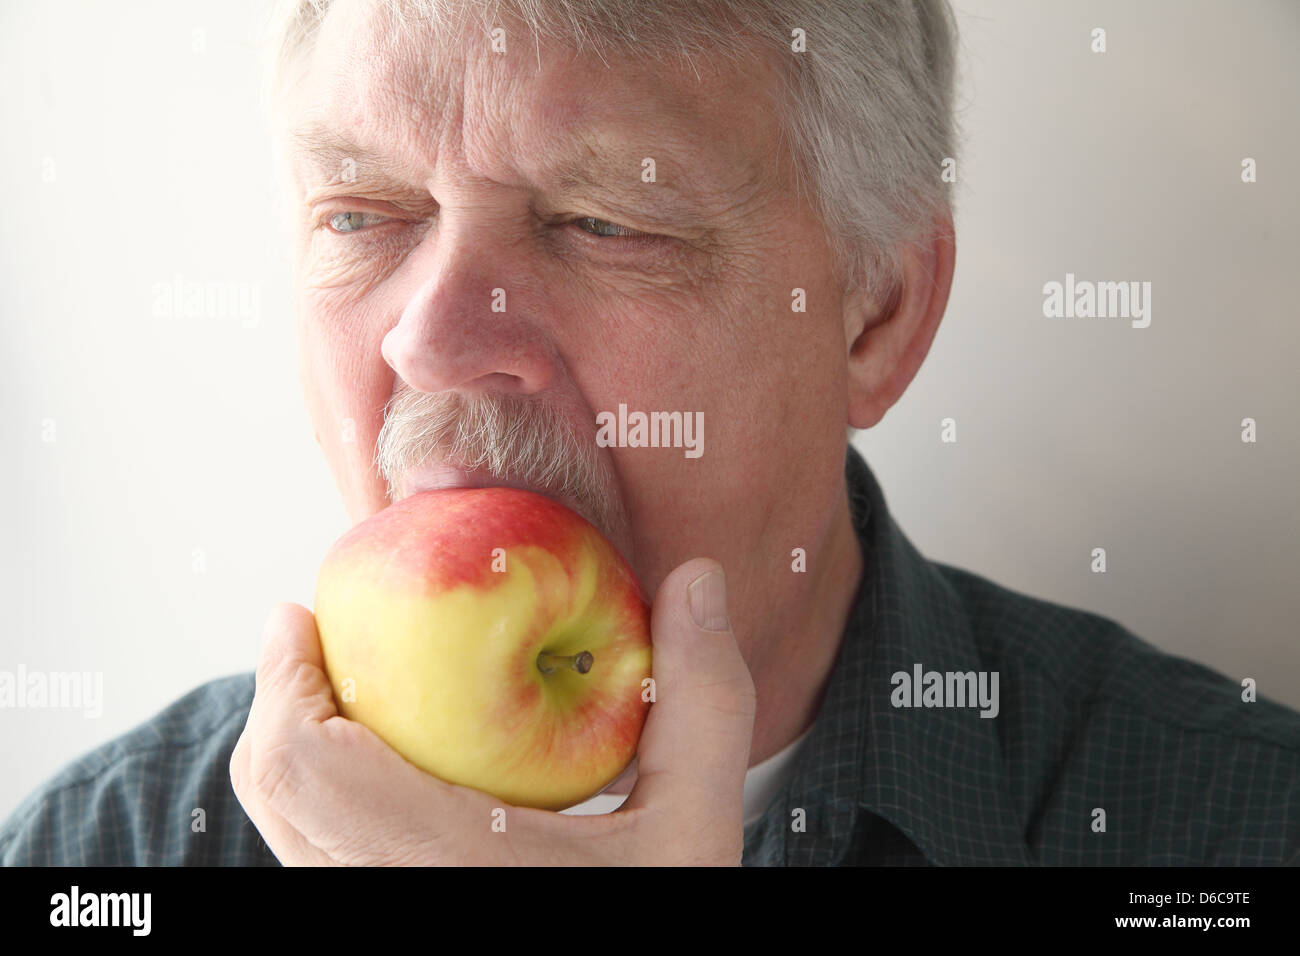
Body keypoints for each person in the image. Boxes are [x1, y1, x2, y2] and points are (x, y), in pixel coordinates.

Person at [4, 0, 1297, 866]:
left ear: (877, 317)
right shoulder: (102, 850)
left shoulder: (1231, 831)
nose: (434, 340)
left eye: (605, 224)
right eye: (362, 212)